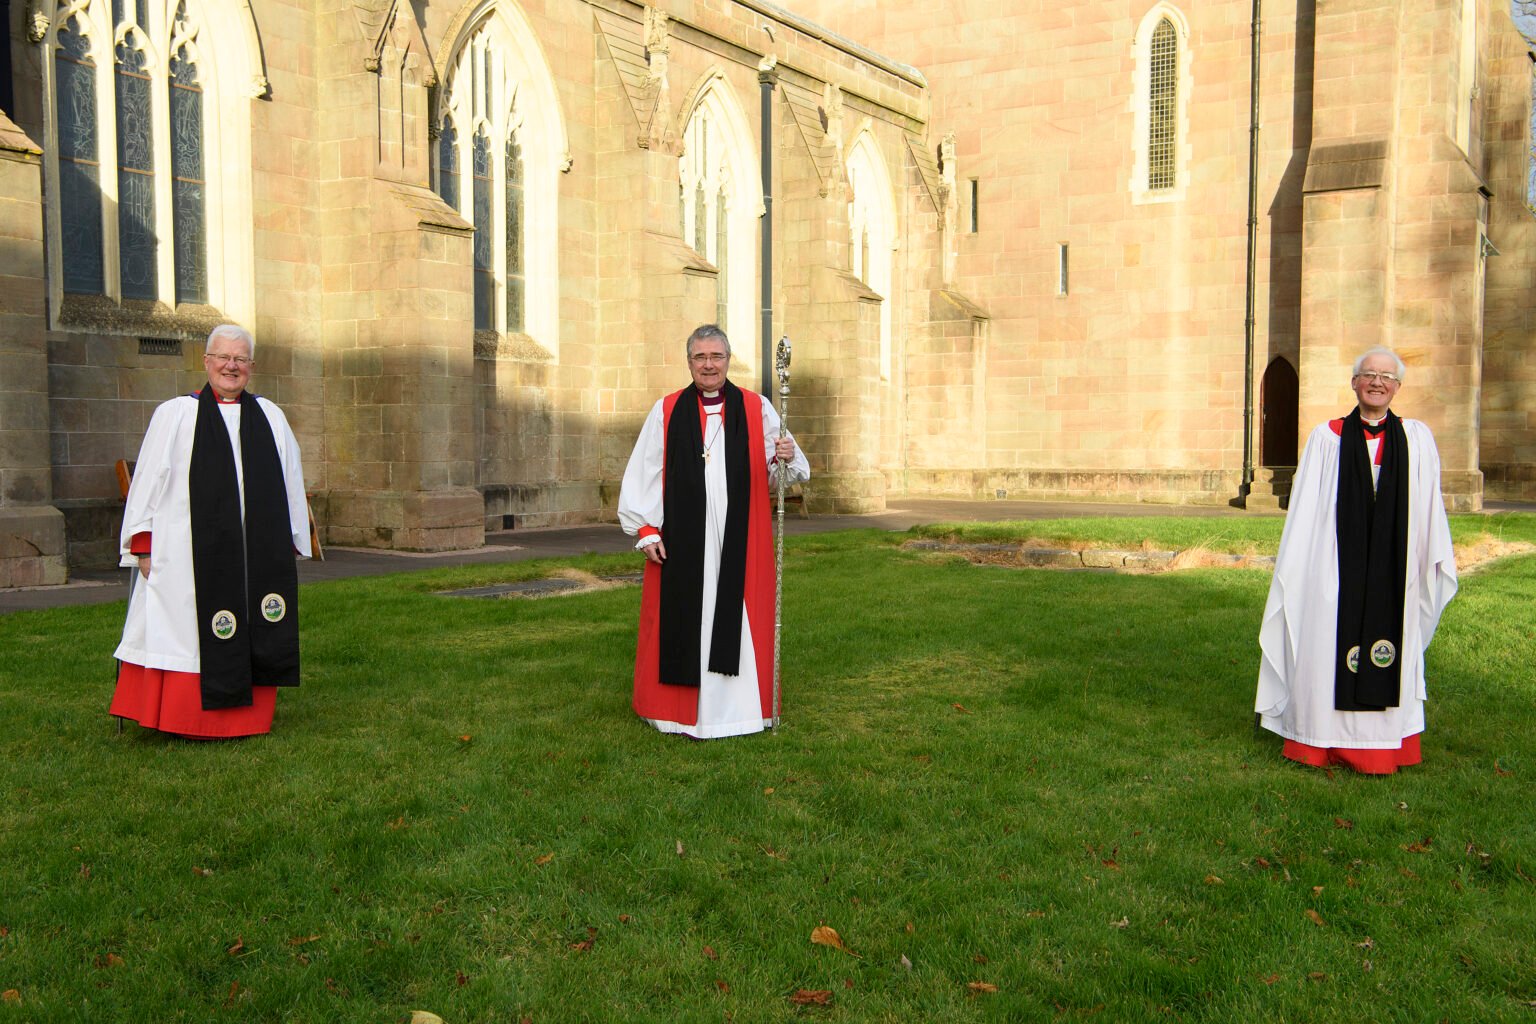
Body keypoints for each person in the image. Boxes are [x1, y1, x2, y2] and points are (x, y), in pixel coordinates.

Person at [1255, 347, 1458, 773]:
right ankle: (1321, 742)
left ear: (1398, 386)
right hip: (1334, 563)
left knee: (1392, 641)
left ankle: (1384, 746)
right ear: (1354, 383)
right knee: (1326, 636)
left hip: (1395, 567)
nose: (1377, 382)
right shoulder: (1326, 439)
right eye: (1369, 374)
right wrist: (1307, 570)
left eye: (1387, 376)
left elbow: (1425, 509)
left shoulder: (1417, 439)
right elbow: (1307, 513)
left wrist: (1425, 559)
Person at [109, 324, 311, 738]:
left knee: (253, 622)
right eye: (222, 357)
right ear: (206, 361)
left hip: (254, 554)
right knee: (183, 626)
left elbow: (291, 481)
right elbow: (148, 482)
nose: (230, 366)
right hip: (185, 552)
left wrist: (287, 541)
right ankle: (184, 719)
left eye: (240, 359)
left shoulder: (271, 417)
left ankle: (247, 718)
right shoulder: (176, 414)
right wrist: (144, 544)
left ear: (251, 366)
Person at [618, 324, 810, 739]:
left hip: (742, 535)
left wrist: (784, 455)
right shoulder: (666, 411)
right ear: (689, 362)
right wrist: (647, 530)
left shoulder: (756, 408)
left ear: (727, 360)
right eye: (700, 357)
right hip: (687, 541)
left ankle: (739, 713)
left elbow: (787, 473)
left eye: (716, 356)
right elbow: (644, 471)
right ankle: (679, 713)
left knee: (738, 616)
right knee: (688, 615)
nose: (708, 364)